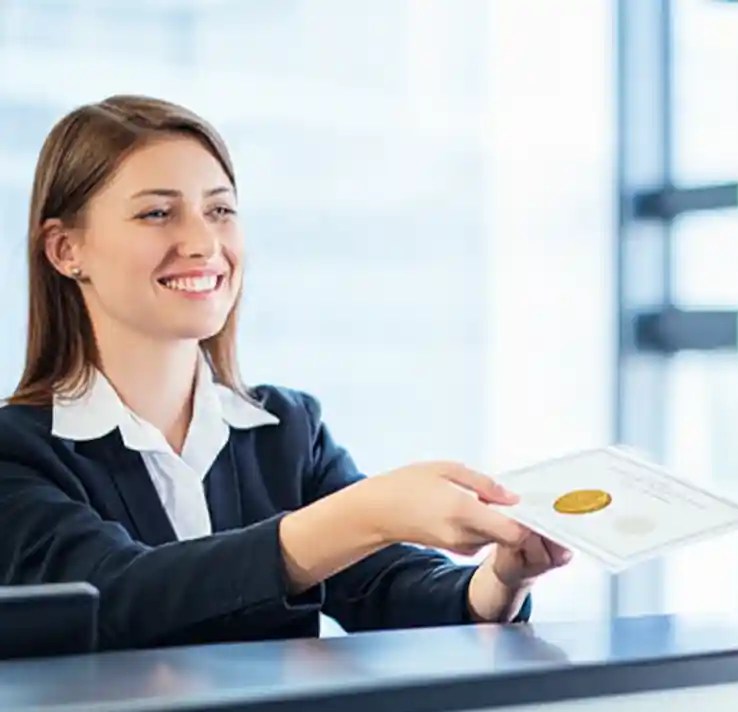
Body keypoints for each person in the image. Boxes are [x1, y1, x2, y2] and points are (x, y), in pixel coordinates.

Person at [0, 95, 571, 652]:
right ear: (65, 250)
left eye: (220, 210)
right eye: (157, 213)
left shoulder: (287, 429)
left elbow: (390, 589)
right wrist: (362, 514)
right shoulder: (16, 453)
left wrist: (501, 580)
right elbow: (117, 596)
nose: (203, 242)